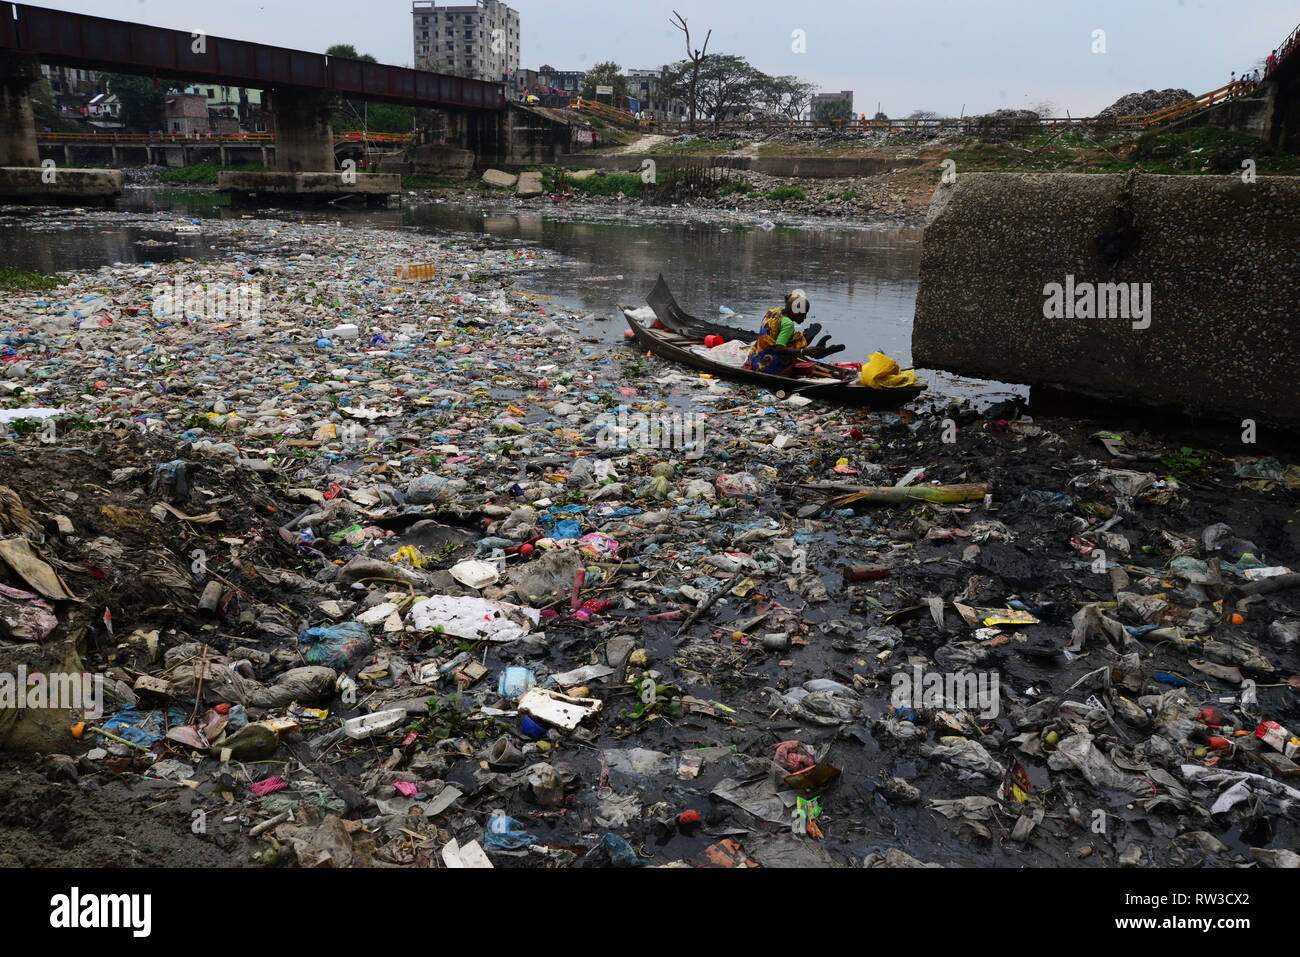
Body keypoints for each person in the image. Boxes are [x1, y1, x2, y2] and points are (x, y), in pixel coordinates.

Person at [747, 290, 811, 376]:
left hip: (754, 358)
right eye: (804, 313)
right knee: (797, 342)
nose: (805, 317)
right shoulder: (788, 324)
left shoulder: (775, 312)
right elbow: (778, 348)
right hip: (766, 367)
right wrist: (803, 351)